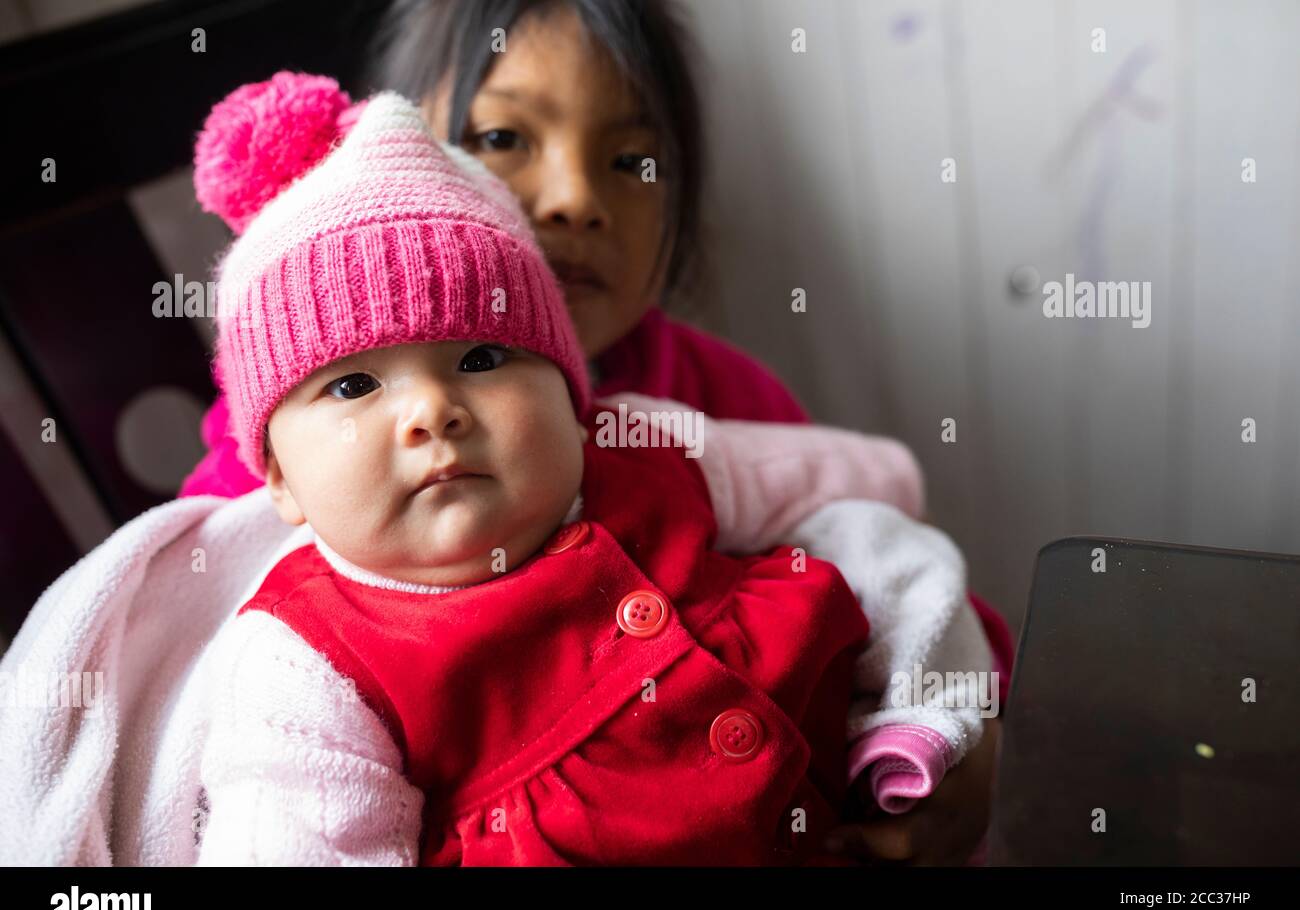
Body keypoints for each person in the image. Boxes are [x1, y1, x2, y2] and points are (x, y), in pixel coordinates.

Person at [191, 73, 997, 865]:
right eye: (355, 384)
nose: (431, 411)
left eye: (481, 356)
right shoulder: (306, 663)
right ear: (281, 484)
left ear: (576, 402)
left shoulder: (644, 443)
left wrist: (935, 719)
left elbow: (855, 503)